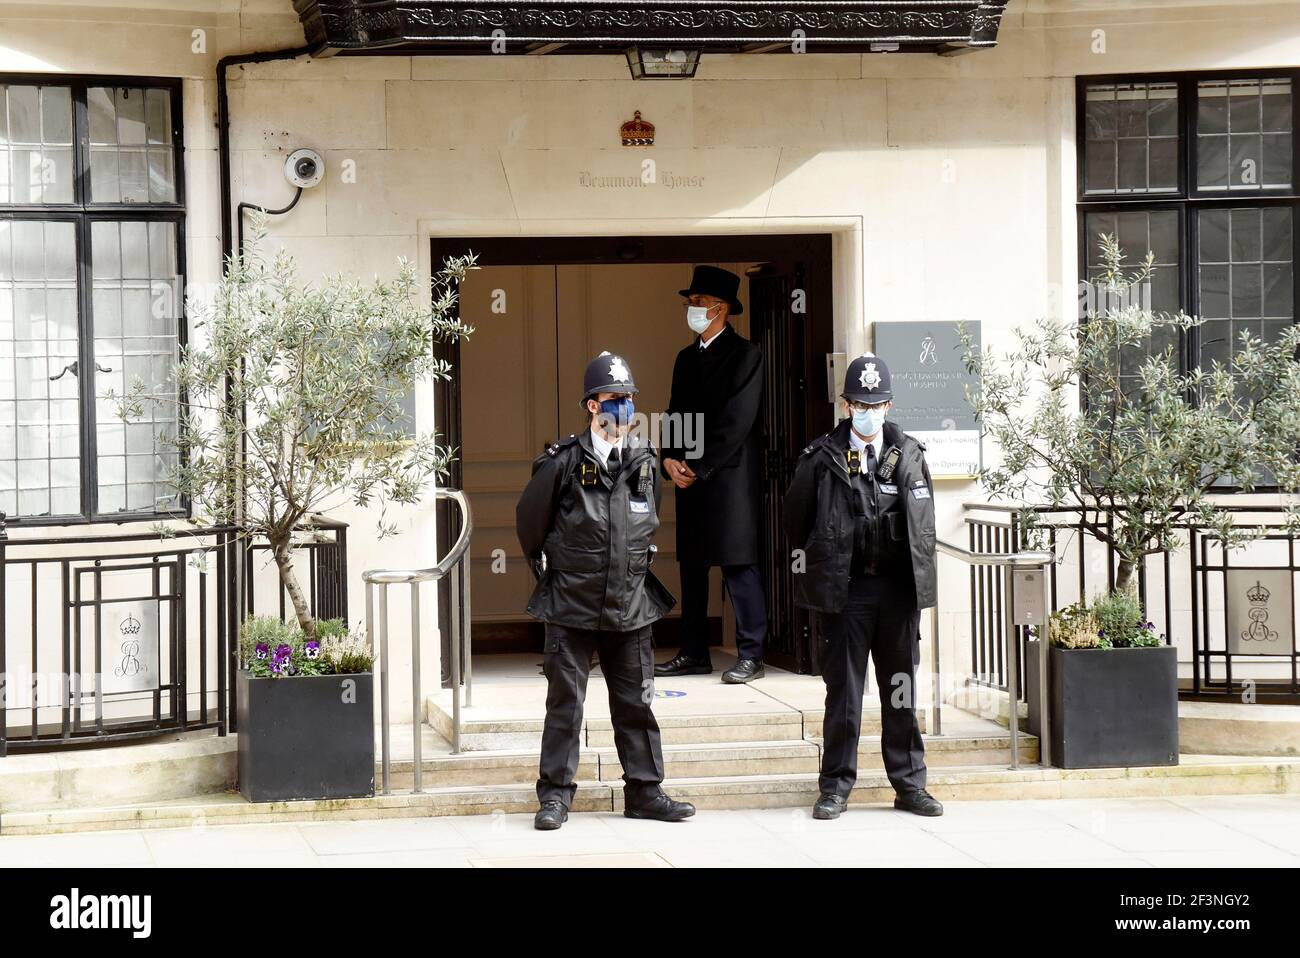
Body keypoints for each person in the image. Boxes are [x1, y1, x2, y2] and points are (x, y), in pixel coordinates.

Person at [516, 351, 696, 830]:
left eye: (629, 399)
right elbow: (530, 526)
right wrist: (561, 573)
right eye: (615, 399)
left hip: (630, 605)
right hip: (572, 603)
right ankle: (555, 796)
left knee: (636, 704)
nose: (624, 407)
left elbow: (646, 521)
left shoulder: (642, 459)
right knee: (565, 705)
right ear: (592, 406)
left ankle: (645, 792)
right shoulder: (561, 462)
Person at [782, 353, 944, 819]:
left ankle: (910, 785)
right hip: (846, 591)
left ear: (889, 405)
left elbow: (923, 522)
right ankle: (835, 787)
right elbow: (796, 521)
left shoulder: (910, 454)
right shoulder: (821, 457)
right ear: (846, 404)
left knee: (901, 690)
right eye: (859, 403)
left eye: (875, 403)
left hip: (896, 592)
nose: (867, 412)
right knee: (845, 695)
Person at [655, 265, 769, 684]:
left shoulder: (747, 356)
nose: (693, 309)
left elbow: (736, 421)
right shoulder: (685, 358)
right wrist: (668, 459)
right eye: (691, 303)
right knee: (693, 567)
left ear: (721, 309)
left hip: (729, 480)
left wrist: (700, 466)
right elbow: (674, 413)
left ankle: (751, 654)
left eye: (700, 303)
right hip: (689, 476)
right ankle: (693, 652)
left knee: (739, 566)